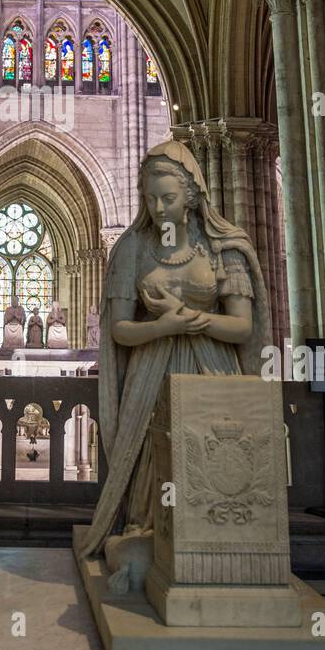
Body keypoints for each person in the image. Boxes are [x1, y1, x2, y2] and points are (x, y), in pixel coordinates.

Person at [77, 139, 270, 558]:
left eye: (168, 197)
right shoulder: (133, 247)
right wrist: (163, 326)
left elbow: (242, 328)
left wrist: (190, 319)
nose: (159, 207)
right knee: (151, 459)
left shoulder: (223, 247)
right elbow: (120, 331)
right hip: (151, 372)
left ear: (192, 196)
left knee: (214, 452)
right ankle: (149, 532)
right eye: (150, 198)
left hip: (212, 369)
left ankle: (220, 541)